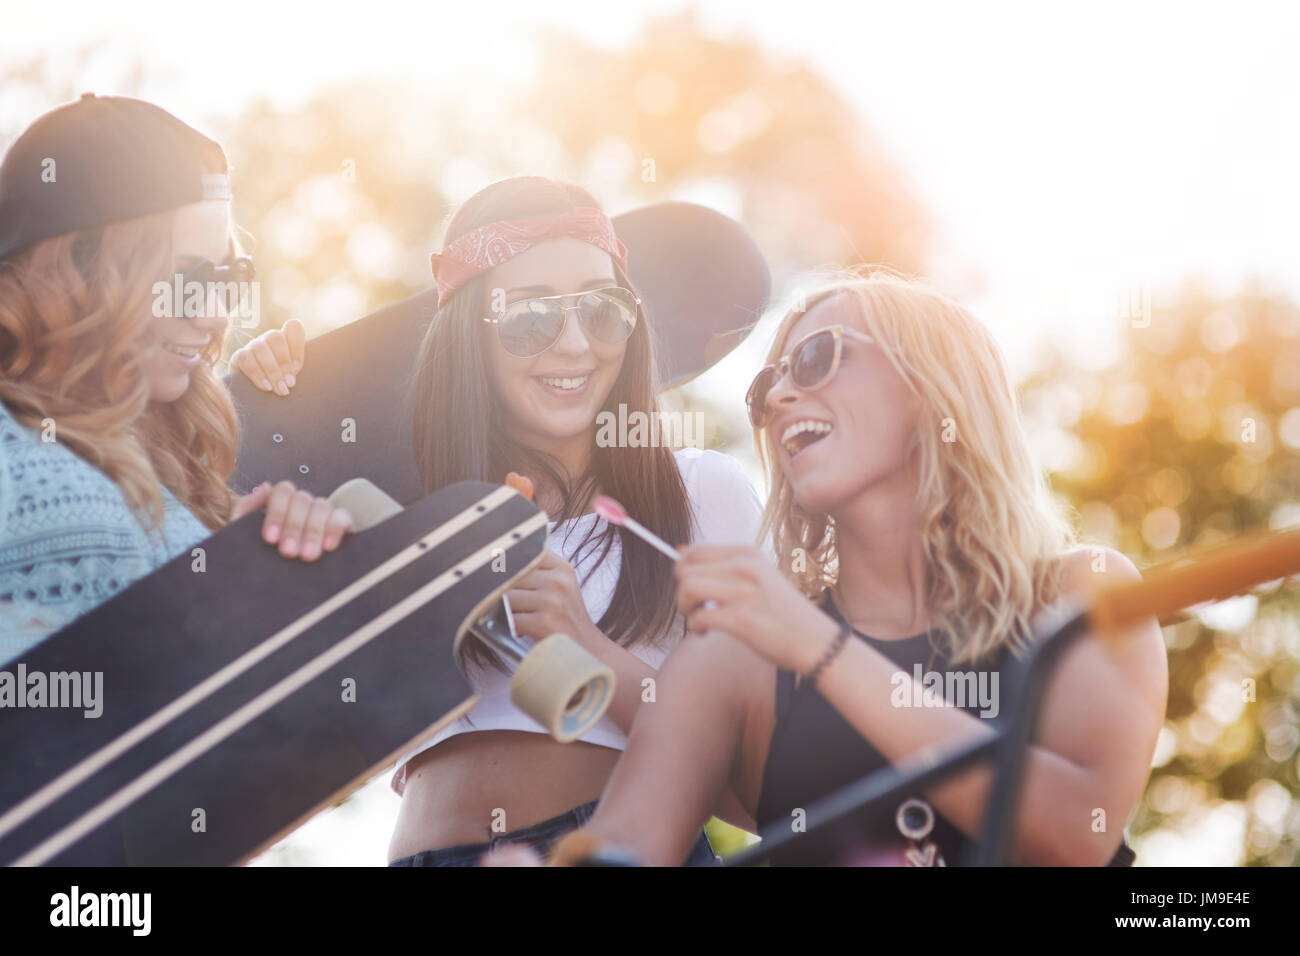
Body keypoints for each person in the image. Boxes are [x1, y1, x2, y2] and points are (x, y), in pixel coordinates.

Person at [552, 271, 1168, 866]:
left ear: (931, 382)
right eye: (768, 383)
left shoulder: (1078, 592)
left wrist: (820, 646)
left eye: (819, 356)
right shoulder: (732, 660)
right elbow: (620, 847)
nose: (780, 396)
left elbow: (1077, 837)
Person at [235, 176, 763, 865]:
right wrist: (247, 412)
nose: (575, 344)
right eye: (530, 317)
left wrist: (585, 645)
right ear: (467, 337)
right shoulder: (413, 528)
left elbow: (763, 786)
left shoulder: (699, 492)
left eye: (602, 311)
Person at [0, 95, 353, 664]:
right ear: (77, 272)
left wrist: (238, 563)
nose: (215, 314)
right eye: (186, 276)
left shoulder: (151, 471)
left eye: (227, 275)